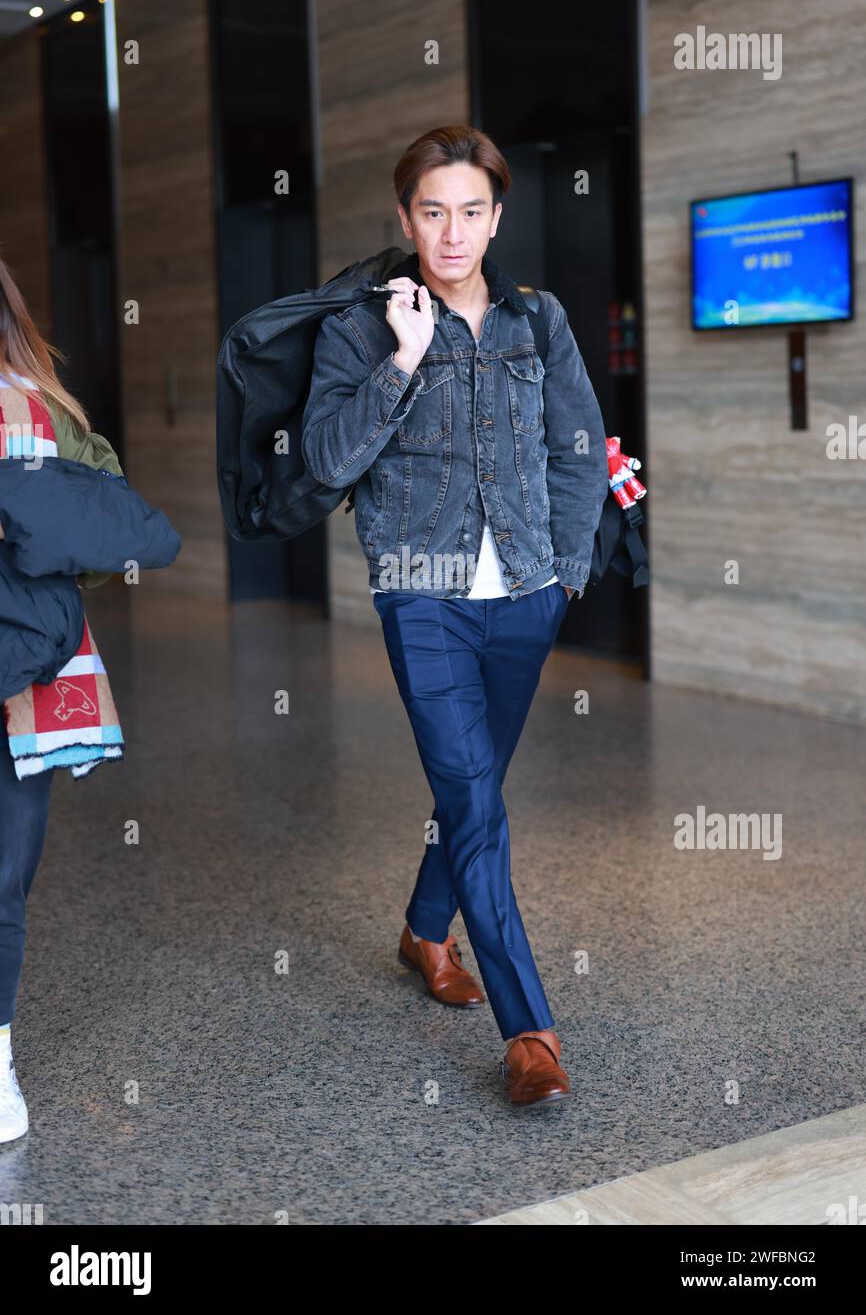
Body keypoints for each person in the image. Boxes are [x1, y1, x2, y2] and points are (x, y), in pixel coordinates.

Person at [302, 125, 608, 1106]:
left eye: (469, 209)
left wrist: (563, 571)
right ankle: (530, 1032)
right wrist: (403, 357)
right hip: (422, 593)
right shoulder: (360, 326)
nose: (450, 230)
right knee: (477, 799)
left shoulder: (539, 321)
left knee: (467, 787)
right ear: (404, 218)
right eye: (431, 210)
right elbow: (323, 460)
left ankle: (423, 929)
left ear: (495, 216)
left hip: (524, 593)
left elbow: (577, 443)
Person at [0, 256, 179, 1142]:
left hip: (16, 679)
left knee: (2, 876)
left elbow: (112, 540)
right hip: (22, 671)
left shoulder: (43, 410)